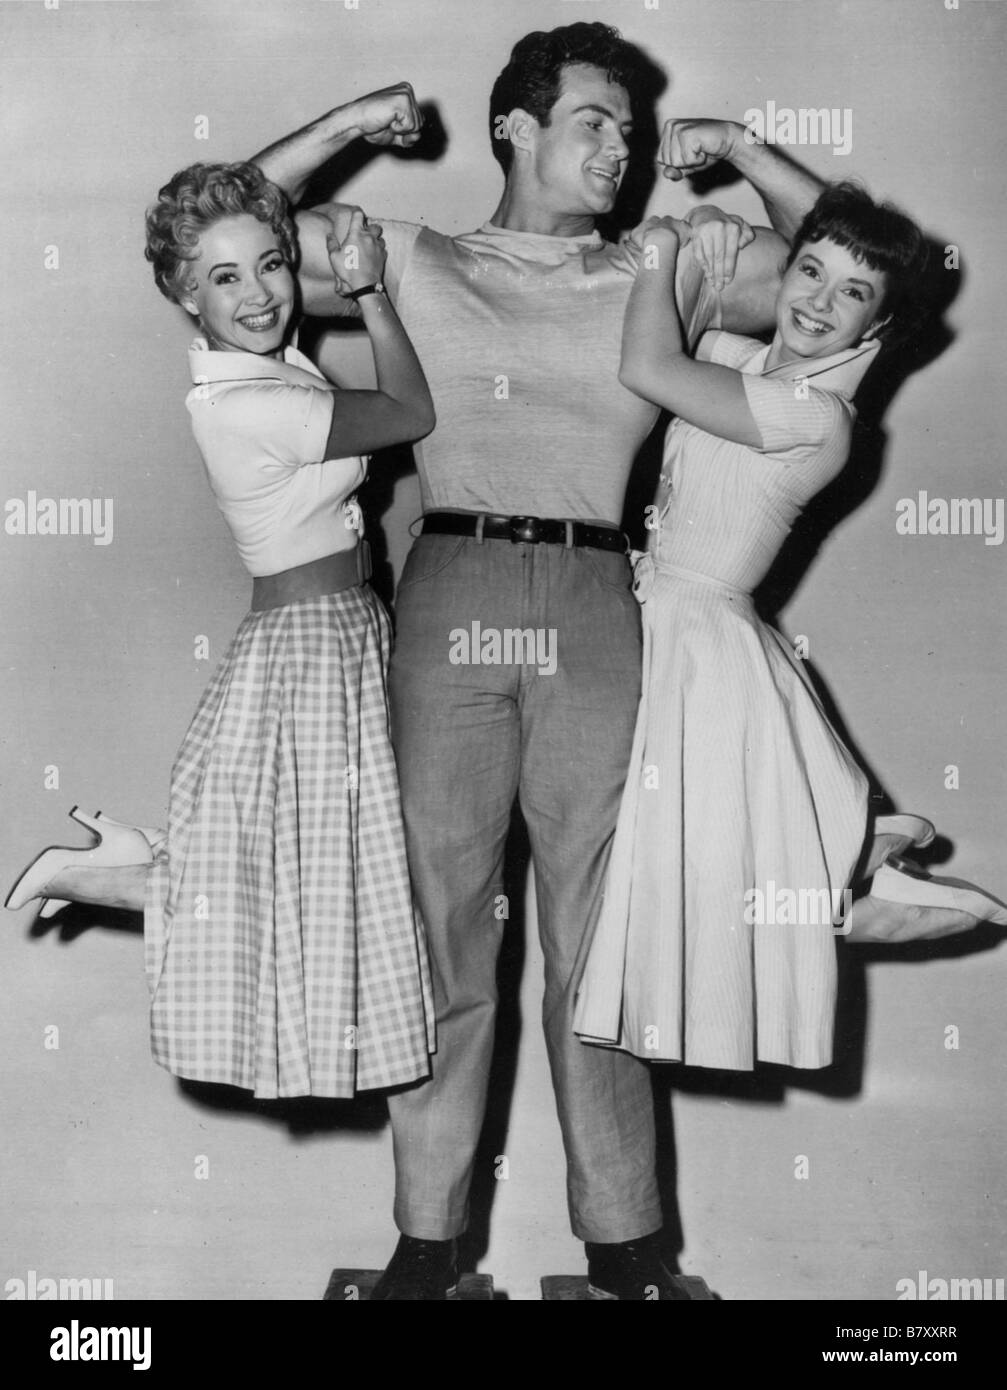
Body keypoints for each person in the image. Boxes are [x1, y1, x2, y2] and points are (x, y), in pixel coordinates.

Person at [247, 22, 836, 1299]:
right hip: (448, 589)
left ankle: (623, 1249)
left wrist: (739, 149)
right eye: (591, 121)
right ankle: (425, 1241)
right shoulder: (412, 254)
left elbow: (846, 270)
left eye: (631, 129)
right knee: (444, 932)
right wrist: (353, 118)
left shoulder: (663, 265)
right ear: (514, 126)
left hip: (592, 599)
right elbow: (227, 231)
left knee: (595, 941)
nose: (619, 150)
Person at [7, 155, 438, 1100]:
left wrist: (355, 123)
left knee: (297, 872)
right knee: (313, 886)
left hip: (339, 629)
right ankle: (96, 877)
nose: (260, 293)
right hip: (309, 644)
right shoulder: (251, 401)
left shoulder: (262, 361)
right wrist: (365, 290)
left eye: (274, 264)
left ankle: (120, 865)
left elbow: (251, 187)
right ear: (183, 295)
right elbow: (412, 410)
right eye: (224, 278)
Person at [574, 184, 1007, 1066]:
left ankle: (848, 875)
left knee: (688, 862)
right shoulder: (740, 356)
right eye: (810, 272)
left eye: (851, 294)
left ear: (876, 331)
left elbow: (647, 368)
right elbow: (793, 243)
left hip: (701, 635)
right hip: (661, 611)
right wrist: (738, 165)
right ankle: (854, 862)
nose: (815, 299)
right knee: (679, 853)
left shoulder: (818, 419)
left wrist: (660, 250)